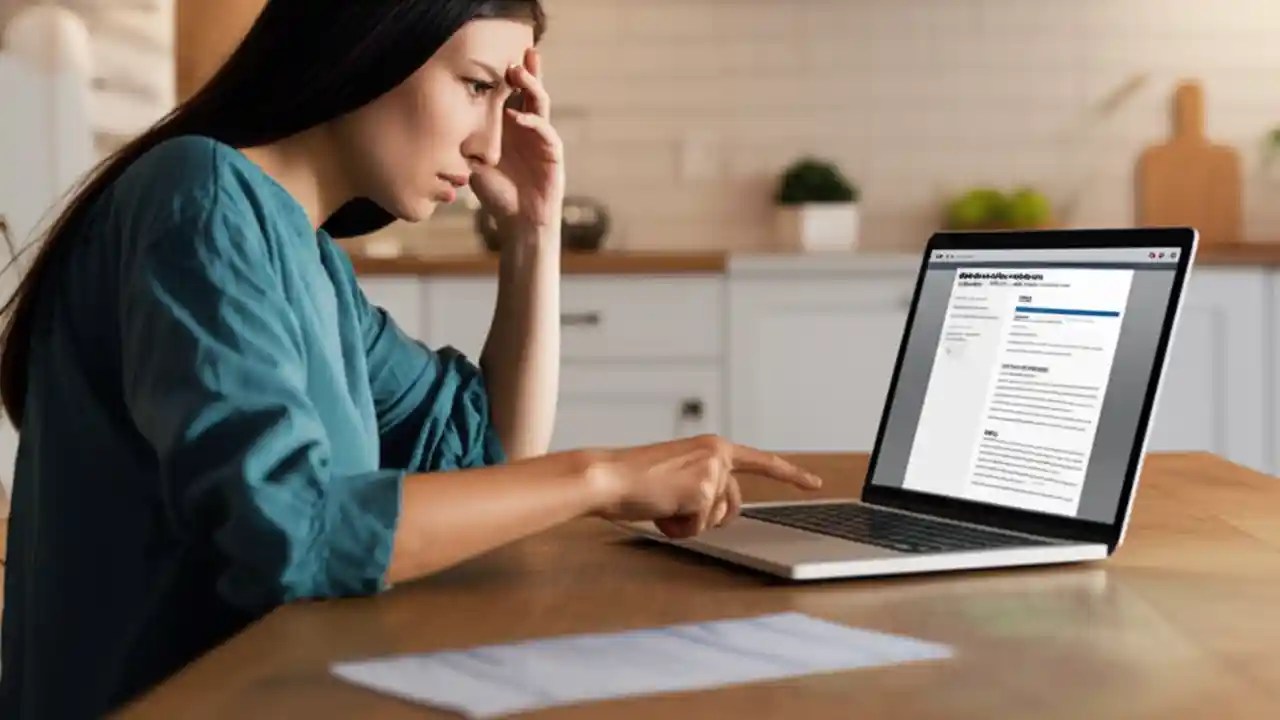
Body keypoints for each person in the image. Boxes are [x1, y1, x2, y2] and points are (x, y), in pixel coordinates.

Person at [0, 1, 822, 716]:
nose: (490, 144)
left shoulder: (308, 259)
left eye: (508, 99)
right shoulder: (199, 199)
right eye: (475, 86)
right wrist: (603, 478)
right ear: (371, 37)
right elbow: (290, 536)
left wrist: (532, 232)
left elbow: (490, 454)